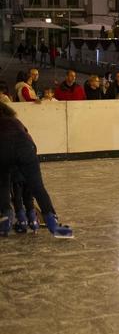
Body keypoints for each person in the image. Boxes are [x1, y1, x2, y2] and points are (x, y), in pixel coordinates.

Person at [0, 101, 74, 238]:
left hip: (2, 149)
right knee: (38, 187)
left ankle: (6, 218)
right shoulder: (15, 121)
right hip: (26, 147)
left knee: (3, 182)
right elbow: (28, 139)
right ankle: (54, 225)